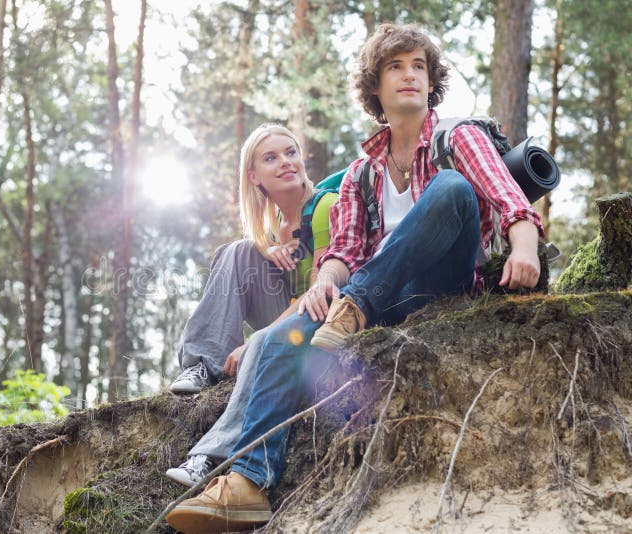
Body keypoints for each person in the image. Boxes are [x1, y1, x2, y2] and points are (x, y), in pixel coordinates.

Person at [165, 23, 544, 533]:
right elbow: (342, 249)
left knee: (453, 189)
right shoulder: (359, 172)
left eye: (419, 66)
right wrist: (324, 281)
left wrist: (525, 247)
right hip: (376, 298)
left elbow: (506, 195)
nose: (409, 75)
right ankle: (249, 481)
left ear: (432, 82)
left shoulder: (458, 136)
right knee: (282, 335)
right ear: (375, 87)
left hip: (440, 284)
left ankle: (355, 305)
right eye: (395, 67)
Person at [166, 124, 338, 486]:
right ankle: (203, 364)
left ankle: (208, 457)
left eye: (291, 152)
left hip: (319, 318)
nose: (285, 162)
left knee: (261, 343)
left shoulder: (325, 208)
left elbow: (317, 296)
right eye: (271, 158)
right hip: (286, 309)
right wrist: (266, 248)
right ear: (254, 176)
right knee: (236, 250)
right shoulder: (273, 221)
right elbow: (252, 249)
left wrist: (256, 338)